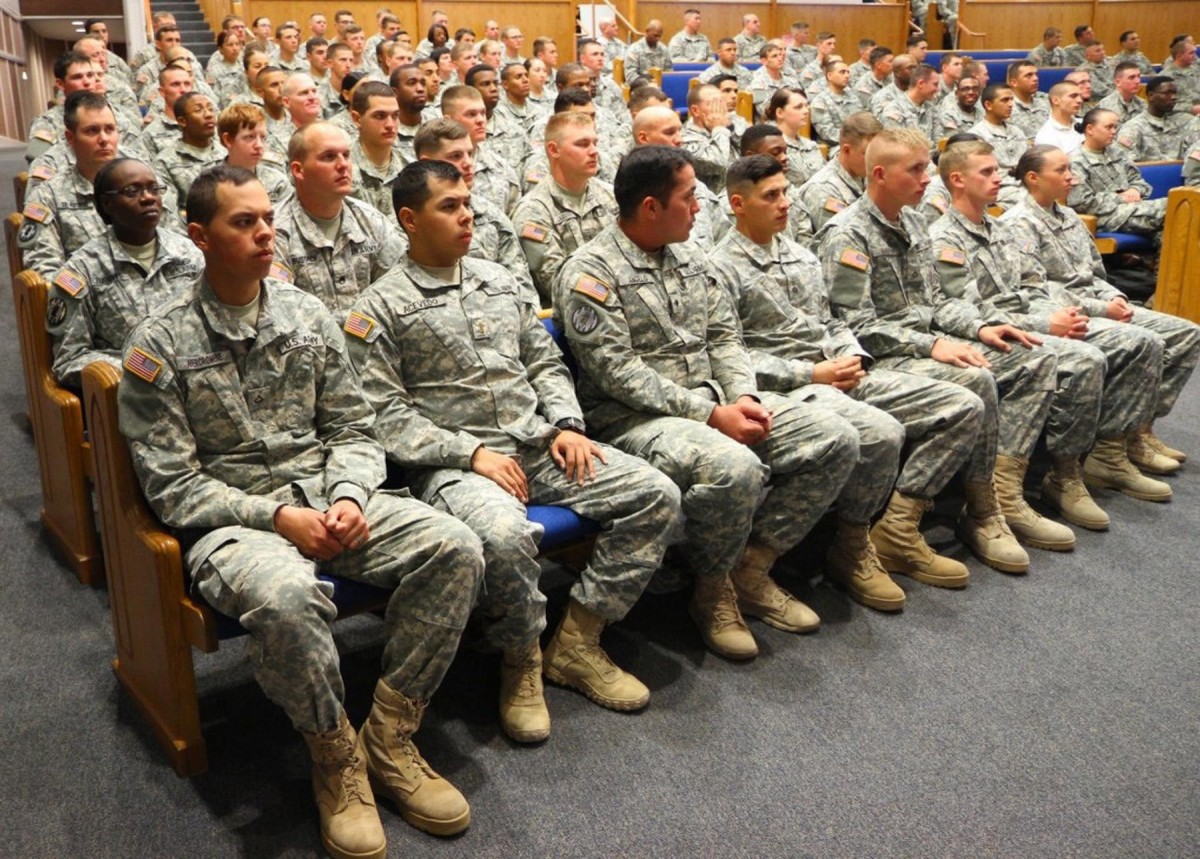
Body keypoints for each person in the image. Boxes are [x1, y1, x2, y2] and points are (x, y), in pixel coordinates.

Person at [119, 165, 486, 852]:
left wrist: (349, 494)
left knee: (455, 546)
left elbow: (352, 427)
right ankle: (334, 754)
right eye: (244, 222)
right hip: (233, 525)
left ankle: (391, 734)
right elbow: (173, 486)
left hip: (328, 497)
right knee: (289, 594)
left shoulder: (306, 313)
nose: (266, 231)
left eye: (267, 217)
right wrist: (275, 517)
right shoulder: (157, 344)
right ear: (199, 236)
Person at [347, 158, 680, 740]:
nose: (467, 214)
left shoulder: (499, 282)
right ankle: (521, 657)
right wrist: (469, 454)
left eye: (467, 202)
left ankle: (577, 641)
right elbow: (384, 416)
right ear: (408, 219)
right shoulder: (377, 308)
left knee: (653, 493)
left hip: (536, 443)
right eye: (448, 207)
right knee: (504, 536)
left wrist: (567, 424)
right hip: (452, 466)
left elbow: (544, 362)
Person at [555, 146, 862, 658]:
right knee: (734, 467)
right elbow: (617, 373)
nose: (700, 207)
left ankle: (751, 566)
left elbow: (726, 339)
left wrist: (742, 396)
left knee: (835, 438)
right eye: (689, 196)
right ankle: (711, 586)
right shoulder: (591, 272)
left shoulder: (692, 256)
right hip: (636, 421)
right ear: (651, 207)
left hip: (717, 400)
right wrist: (711, 414)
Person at [713, 155, 986, 596]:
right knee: (882, 433)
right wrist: (812, 372)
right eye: (771, 196)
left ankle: (888, 532)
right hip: (788, 387)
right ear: (738, 204)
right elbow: (729, 353)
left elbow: (834, 320)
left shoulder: (800, 256)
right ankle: (789, 556)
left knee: (963, 404)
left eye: (785, 192)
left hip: (839, 371)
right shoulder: (719, 268)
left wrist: (850, 355)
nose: (785, 203)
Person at [816, 128, 1058, 574]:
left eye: (928, 166)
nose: (928, 178)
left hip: (927, 345)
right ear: (881, 174)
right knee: (975, 382)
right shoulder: (847, 235)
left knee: (1033, 358)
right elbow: (853, 327)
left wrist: (981, 326)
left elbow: (940, 300)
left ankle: (998, 498)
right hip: (884, 358)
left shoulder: (912, 221)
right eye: (917, 169)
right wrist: (933, 344)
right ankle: (908, 527)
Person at [931, 139, 1168, 526]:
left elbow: (1033, 287)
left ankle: (1084, 465)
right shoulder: (946, 239)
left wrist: (1062, 314)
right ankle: (1024, 485)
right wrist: (1046, 324)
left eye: (996, 170)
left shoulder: (999, 228)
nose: (998, 178)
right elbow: (970, 310)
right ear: (957, 180)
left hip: (1026, 321)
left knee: (1139, 339)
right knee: (1085, 359)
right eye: (987, 172)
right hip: (984, 333)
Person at [1004, 145, 1200, 476]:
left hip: (1097, 301)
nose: (1072, 177)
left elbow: (1095, 273)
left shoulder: (1068, 217)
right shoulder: (1017, 223)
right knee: (1143, 341)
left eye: (1070, 169)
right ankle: (1108, 448)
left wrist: (1117, 298)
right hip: (1059, 310)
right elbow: (1037, 288)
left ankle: (1137, 429)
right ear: (1033, 178)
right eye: (1062, 171)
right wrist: (1103, 308)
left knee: (1185, 332)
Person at [46, 157, 204, 388]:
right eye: (132, 191)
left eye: (153, 189)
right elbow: (70, 359)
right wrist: (147, 369)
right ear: (107, 203)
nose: (148, 197)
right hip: (131, 395)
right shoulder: (82, 271)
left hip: (199, 377)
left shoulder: (188, 252)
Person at [20, 92, 183, 280]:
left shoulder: (147, 184)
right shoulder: (48, 196)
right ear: (70, 138)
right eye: (92, 131)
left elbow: (177, 241)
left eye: (110, 129)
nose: (104, 138)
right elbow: (44, 269)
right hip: (91, 299)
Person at [273, 122, 406, 317]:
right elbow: (280, 309)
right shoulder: (274, 230)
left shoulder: (371, 222)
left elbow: (398, 291)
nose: (343, 164)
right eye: (329, 157)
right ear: (298, 170)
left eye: (346, 155)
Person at [414, 119, 536, 303]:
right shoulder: (410, 223)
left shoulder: (492, 217)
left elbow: (522, 286)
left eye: (470, 154)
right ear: (427, 163)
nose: (468, 163)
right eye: (455, 156)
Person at [512, 112, 618, 303]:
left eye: (595, 143)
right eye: (582, 144)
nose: (594, 151)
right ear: (554, 150)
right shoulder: (533, 212)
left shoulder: (612, 196)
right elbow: (556, 283)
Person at [1069, 108, 1166, 236]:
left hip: (1133, 209)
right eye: (1108, 127)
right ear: (1090, 129)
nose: (1114, 132)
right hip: (1105, 218)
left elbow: (1140, 182)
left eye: (1115, 127)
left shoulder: (1117, 152)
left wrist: (1135, 190)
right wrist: (1121, 198)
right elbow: (1082, 203)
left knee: (1174, 224)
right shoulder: (1075, 161)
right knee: (1173, 208)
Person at [799, 112, 881, 234]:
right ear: (846, 150)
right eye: (868, 154)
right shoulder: (822, 190)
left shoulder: (864, 174)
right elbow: (839, 241)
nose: (875, 161)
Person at [348, 82, 406, 220]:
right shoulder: (342, 169)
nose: (390, 125)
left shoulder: (410, 167)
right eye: (380, 116)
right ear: (357, 119)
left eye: (395, 116)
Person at [215, 103, 294, 204]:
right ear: (228, 140)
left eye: (262, 137)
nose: (259, 145)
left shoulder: (277, 181)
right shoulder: (211, 184)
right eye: (249, 137)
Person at [968, 84, 1028, 207]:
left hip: (1024, 185)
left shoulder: (1017, 131)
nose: (1011, 104)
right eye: (1005, 100)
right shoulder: (976, 135)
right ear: (988, 105)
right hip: (999, 189)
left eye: (1012, 99)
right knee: (1031, 201)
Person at [1113, 77, 1197, 161]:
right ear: (1151, 96)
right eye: (1167, 93)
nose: (1173, 97)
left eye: (1174, 93)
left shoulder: (1182, 122)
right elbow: (1125, 162)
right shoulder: (1134, 127)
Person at [680, 82, 735, 193]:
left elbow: (750, 146)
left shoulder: (728, 121)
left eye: (721, 102)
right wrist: (719, 129)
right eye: (714, 104)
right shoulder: (685, 140)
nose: (721, 108)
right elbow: (718, 165)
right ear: (696, 111)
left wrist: (730, 127)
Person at [762, 88, 822, 187]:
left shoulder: (811, 145)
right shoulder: (770, 147)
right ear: (780, 113)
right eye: (798, 107)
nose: (806, 111)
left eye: (806, 106)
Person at [810, 59, 859, 145]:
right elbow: (827, 133)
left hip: (857, 142)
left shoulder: (852, 96)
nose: (847, 75)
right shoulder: (820, 101)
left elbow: (862, 120)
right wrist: (854, 139)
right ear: (829, 76)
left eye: (848, 72)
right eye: (842, 72)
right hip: (834, 146)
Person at [1034, 82, 1086, 153]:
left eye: (1080, 96)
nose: (1079, 100)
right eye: (1073, 96)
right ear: (1056, 100)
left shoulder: (1085, 123)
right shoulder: (1046, 136)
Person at [749, 43, 802, 108]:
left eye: (780, 55)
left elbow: (802, 101)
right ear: (764, 61)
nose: (780, 58)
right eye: (774, 56)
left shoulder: (791, 81)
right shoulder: (758, 84)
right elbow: (763, 110)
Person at [1007, 61, 1050, 138]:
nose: (1035, 78)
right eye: (1029, 75)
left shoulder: (1046, 101)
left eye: (1036, 74)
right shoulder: (1005, 106)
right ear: (1014, 82)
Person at [937, 74, 984, 139]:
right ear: (956, 93)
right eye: (965, 89)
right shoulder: (948, 115)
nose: (971, 92)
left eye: (975, 89)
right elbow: (954, 142)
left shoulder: (983, 113)